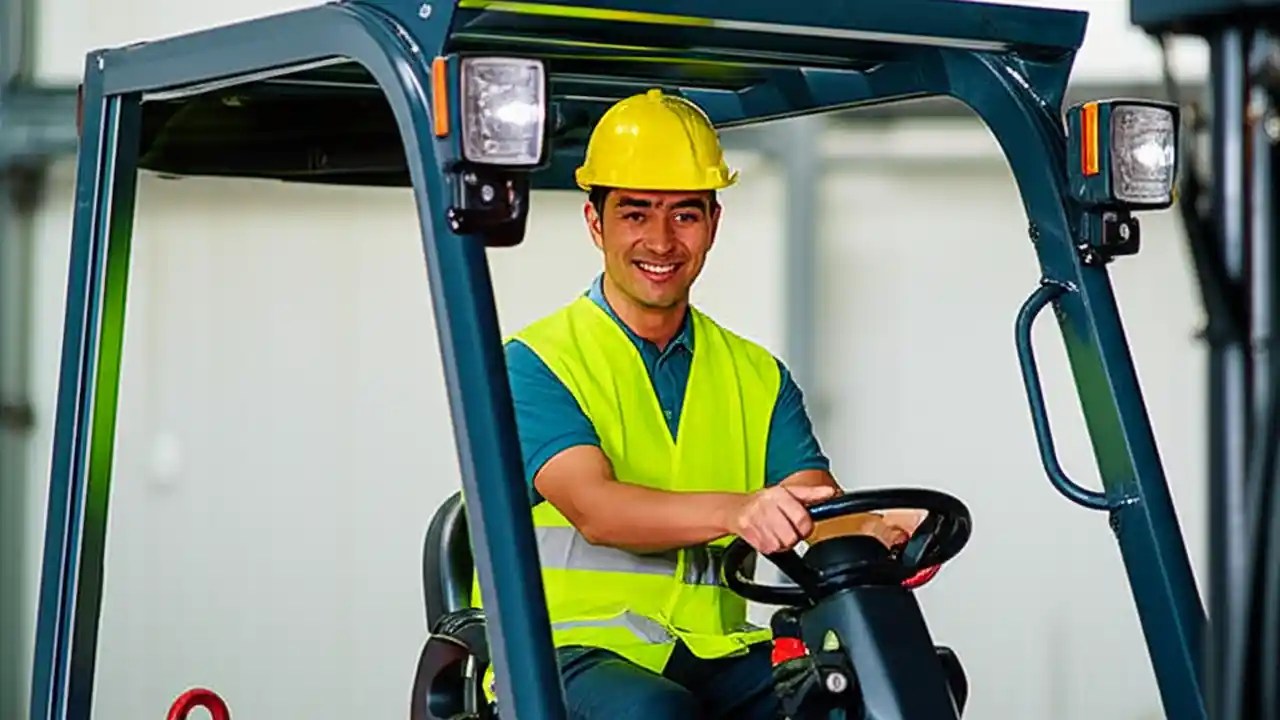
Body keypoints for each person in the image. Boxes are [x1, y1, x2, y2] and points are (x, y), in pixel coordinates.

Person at [496, 88, 922, 719]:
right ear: (596, 223)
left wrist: (876, 530)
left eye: (685, 215)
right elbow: (598, 511)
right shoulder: (538, 361)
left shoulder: (755, 375)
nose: (662, 242)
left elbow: (814, 502)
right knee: (655, 714)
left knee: (866, 687)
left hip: (708, 651)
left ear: (713, 224)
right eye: (636, 214)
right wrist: (740, 511)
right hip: (564, 650)